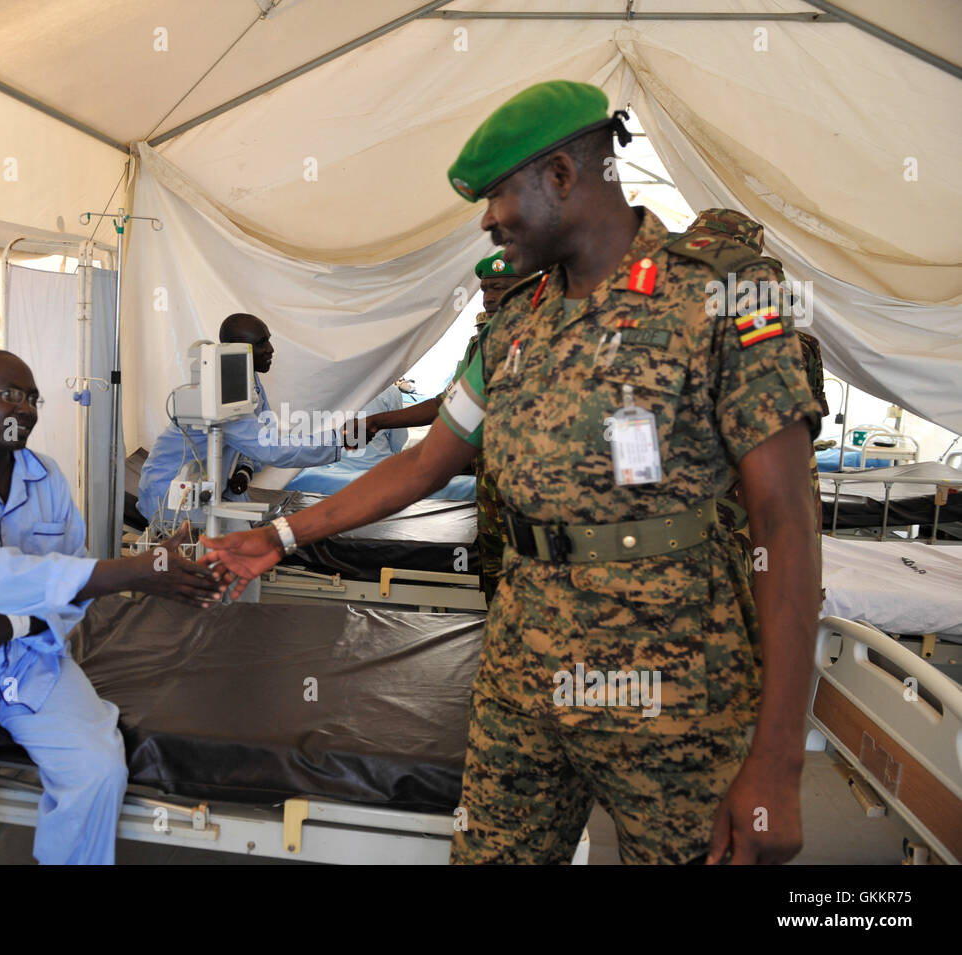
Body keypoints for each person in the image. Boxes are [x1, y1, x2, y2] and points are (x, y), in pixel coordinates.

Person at [202, 80, 823, 865]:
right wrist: (283, 534)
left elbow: (785, 523)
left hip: (677, 695)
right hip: (524, 682)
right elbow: (429, 461)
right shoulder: (517, 323)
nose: (489, 220)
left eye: (498, 195)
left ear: (562, 176)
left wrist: (777, 759)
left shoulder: (721, 293)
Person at [0, 349, 221, 864]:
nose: (26, 408)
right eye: (8, 394)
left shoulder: (45, 476)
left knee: (97, 772)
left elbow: (68, 582)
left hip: (29, 658)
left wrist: (12, 627)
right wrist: (134, 571)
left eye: (33, 398)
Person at [359, 249, 532, 601]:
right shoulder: (481, 346)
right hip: (491, 497)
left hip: (531, 499)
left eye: (502, 287)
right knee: (495, 587)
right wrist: (378, 421)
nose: (491, 296)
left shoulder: (551, 341)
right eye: (485, 289)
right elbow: (449, 404)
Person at [137, 313, 348, 528]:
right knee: (226, 547)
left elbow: (261, 434)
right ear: (237, 351)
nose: (271, 349)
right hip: (171, 493)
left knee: (241, 540)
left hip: (212, 486)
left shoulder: (248, 380)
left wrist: (244, 470)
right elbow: (271, 449)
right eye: (261, 343)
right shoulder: (220, 393)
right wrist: (339, 438)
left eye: (268, 339)